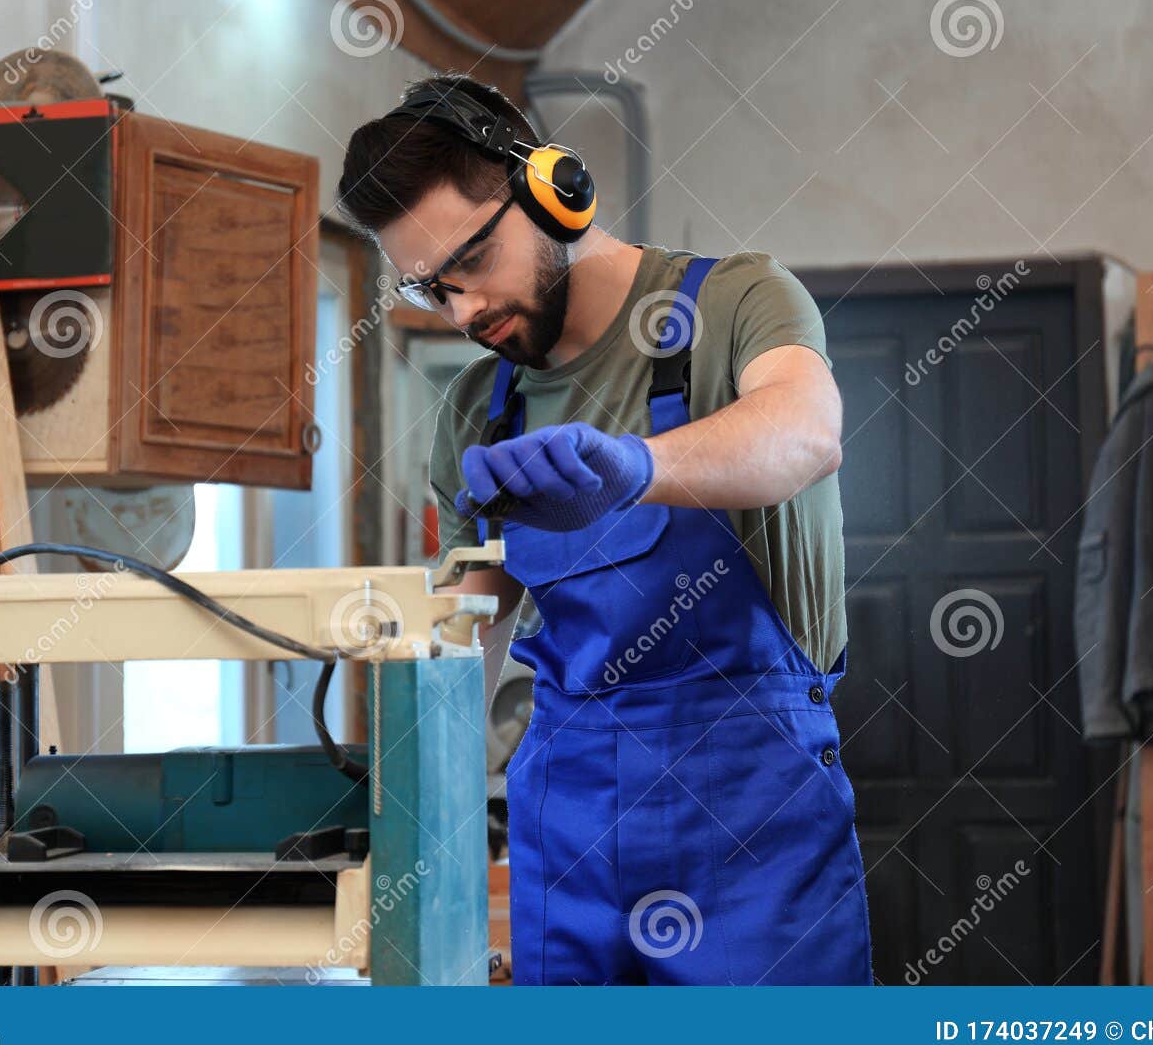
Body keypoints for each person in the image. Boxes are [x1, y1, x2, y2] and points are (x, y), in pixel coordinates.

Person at [337, 73, 871, 985]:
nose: (464, 312)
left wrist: (638, 468)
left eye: (474, 261)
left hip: (753, 816)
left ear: (554, 191)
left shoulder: (733, 304)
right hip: (570, 823)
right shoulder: (478, 410)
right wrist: (407, 799)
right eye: (432, 290)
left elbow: (807, 432)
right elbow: (467, 637)